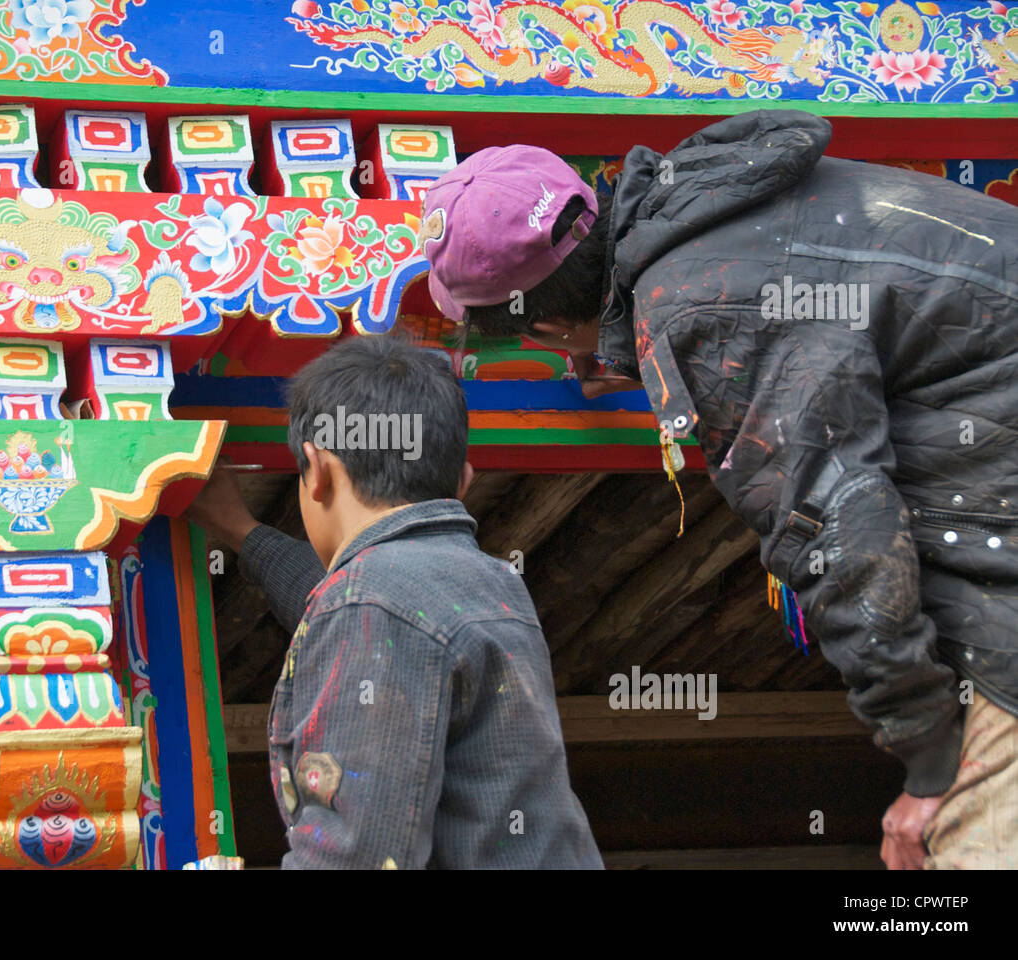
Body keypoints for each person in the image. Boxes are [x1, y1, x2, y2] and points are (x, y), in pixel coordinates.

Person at [414, 109, 1018, 870]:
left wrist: (930, 765)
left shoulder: (706, 305)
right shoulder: (708, 204)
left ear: (536, 332)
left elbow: (838, 520)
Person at [187, 336, 603, 869]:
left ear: (316, 469)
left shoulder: (368, 605)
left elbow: (357, 856)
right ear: (464, 478)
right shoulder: (493, 581)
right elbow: (383, 609)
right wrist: (243, 531)